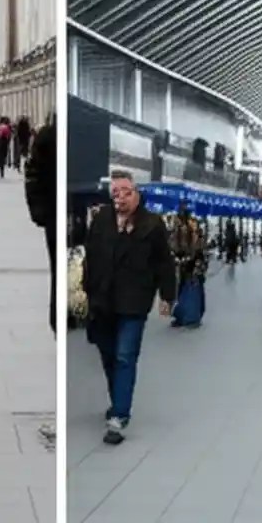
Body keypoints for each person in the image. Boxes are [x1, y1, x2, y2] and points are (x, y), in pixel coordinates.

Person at [82, 170, 176, 445]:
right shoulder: (101, 219)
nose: (120, 197)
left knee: (125, 356)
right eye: (115, 193)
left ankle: (119, 416)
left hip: (134, 301)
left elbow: (164, 263)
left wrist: (167, 297)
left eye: (126, 192)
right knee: (108, 355)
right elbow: (90, 255)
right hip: (103, 300)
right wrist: (86, 289)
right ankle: (117, 401)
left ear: (136, 193)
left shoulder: (152, 224)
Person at [23, 114, 56, 334]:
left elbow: (31, 174)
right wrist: (39, 212)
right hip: (53, 214)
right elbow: (32, 174)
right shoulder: (47, 136)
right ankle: (56, 319)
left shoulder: (47, 135)